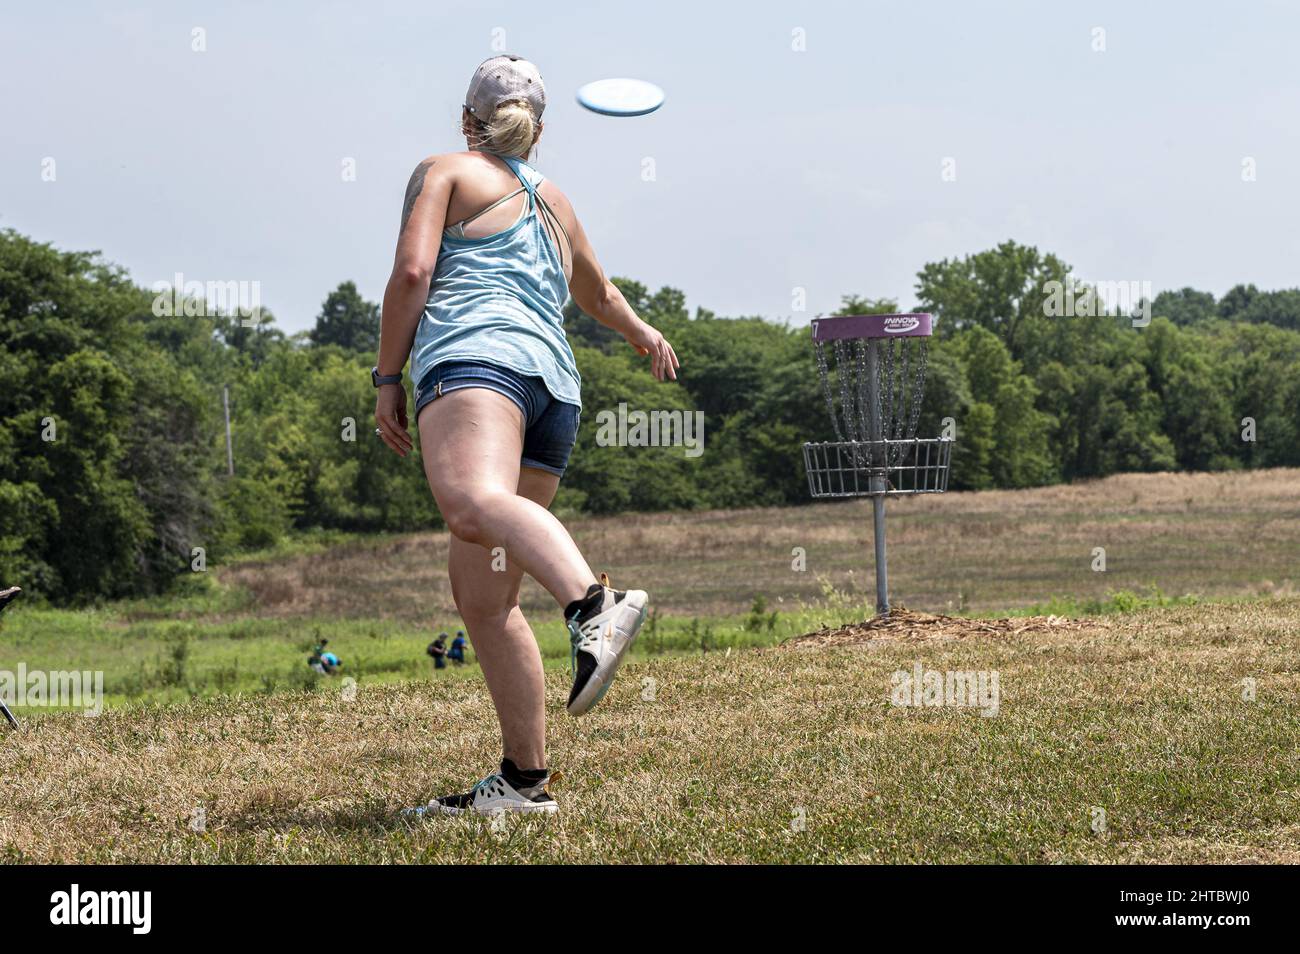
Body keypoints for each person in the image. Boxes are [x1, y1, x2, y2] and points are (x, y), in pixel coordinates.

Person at [375, 54, 678, 817]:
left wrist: (386, 378)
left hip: (480, 369)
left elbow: (413, 273)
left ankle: (593, 605)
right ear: (537, 131)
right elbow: (599, 293)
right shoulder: (555, 203)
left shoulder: (443, 170)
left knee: (470, 505)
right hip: (553, 395)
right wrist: (644, 336)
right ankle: (523, 782)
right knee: (485, 598)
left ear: (466, 120)